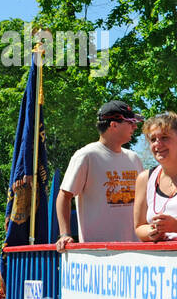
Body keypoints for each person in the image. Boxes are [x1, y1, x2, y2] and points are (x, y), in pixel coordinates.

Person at [56, 101, 144, 250]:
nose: (135, 127)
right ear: (113, 125)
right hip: (98, 252)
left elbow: (144, 200)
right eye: (130, 122)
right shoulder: (86, 155)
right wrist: (65, 235)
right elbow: (64, 195)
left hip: (135, 249)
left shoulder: (134, 158)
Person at [134, 112, 177, 242]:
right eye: (153, 139)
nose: (157, 144)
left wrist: (176, 225)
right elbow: (139, 227)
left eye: (164, 138)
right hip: (162, 255)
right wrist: (152, 231)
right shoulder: (145, 178)